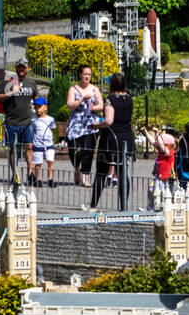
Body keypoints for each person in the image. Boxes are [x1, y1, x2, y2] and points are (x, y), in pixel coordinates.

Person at [88, 72, 133, 210]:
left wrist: (96, 125)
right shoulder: (129, 98)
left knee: (101, 172)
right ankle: (123, 206)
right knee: (122, 173)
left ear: (112, 84)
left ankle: (93, 205)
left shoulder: (110, 99)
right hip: (126, 137)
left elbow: (108, 121)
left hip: (111, 139)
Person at [0, 59, 37, 185]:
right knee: (13, 149)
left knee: (29, 146)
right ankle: (16, 175)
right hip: (11, 122)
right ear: (16, 69)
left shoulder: (32, 83)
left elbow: (37, 98)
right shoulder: (9, 83)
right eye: (19, 67)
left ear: (27, 69)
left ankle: (30, 174)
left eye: (24, 67)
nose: (21, 69)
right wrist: (11, 93)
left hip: (27, 121)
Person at [66, 65, 104, 188]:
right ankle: (77, 168)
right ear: (80, 75)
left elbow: (101, 105)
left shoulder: (94, 89)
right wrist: (81, 100)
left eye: (89, 74)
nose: (87, 76)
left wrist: (94, 107)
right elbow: (70, 105)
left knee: (88, 151)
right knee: (73, 149)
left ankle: (85, 176)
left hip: (90, 124)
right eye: (85, 74)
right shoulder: (73, 89)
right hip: (76, 125)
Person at [141, 126, 177, 208]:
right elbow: (153, 142)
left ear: (168, 145)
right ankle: (151, 207)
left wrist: (157, 133)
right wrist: (146, 132)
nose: (157, 144)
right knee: (152, 191)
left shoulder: (170, 152)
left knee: (163, 194)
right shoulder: (162, 150)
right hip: (159, 177)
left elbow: (161, 145)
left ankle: (162, 208)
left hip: (166, 179)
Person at [30, 97, 56, 187]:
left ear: (45, 107)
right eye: (36, 107)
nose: (37, 109)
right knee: (38, 163)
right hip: (37, 144)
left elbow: (52, 129)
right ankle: (37, 179)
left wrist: (52, 141)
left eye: (39, 106)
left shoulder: (50, 119)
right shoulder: (33, 120)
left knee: (50, 162)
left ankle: (50, 179)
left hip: (49, 144)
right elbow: (32, 131)